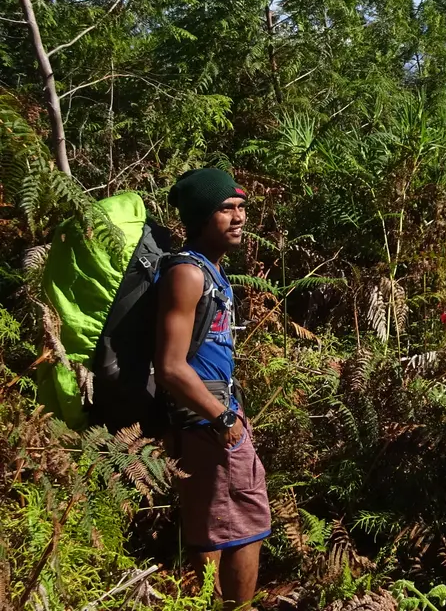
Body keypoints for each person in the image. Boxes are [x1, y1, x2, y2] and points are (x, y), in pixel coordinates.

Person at [155, 168, 270, 609]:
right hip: (207, 420)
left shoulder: (209, 272)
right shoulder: (188, 274)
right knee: (246, 523)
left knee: (215, 527)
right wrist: (224, 421)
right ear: (202, 216)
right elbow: (169, 365)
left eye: (241, 208)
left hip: (211, 417)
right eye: (226, 209)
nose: (239, 217)